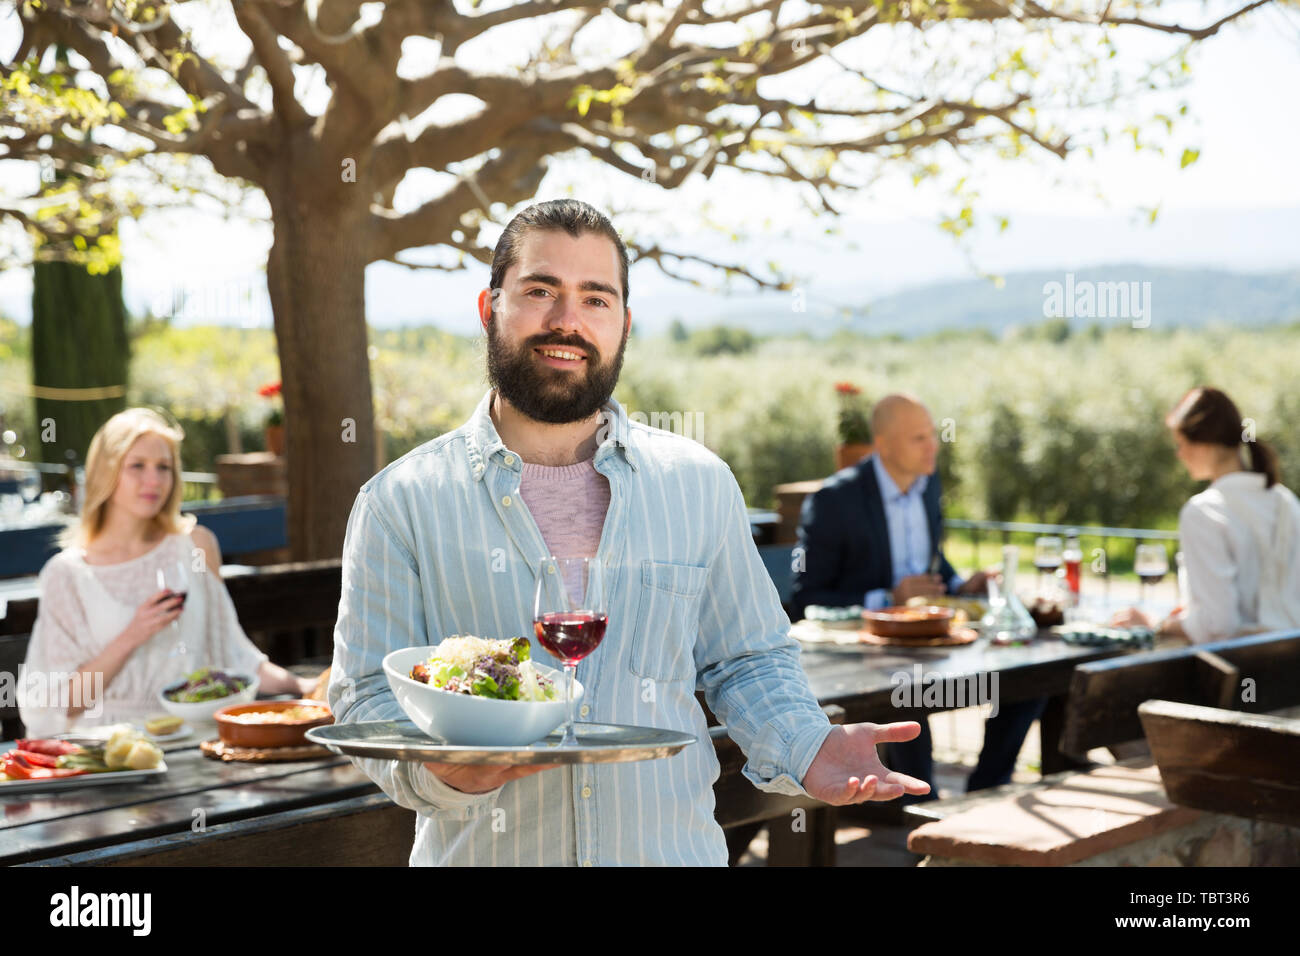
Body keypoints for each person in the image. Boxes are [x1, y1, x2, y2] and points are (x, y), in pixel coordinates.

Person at [329, 199, 930, 866]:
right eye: (540, 291)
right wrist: (439, 773)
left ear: (623, 323)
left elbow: (748, 659)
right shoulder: (399, 502)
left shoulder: (696, 484)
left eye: (595, 299)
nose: (568, 321)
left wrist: (808, 745)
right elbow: (365, 694)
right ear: (488, 307)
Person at [791, 393, 1045, 796]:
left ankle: (981, 793)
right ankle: (920, 810)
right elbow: (806, 599)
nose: (933, 446)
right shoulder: (834, 501)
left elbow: (932, 560)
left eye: (932, 435)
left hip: (929, 647)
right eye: (918, 438)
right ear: (884, 444)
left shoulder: (928, 487)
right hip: (865, 664)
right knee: (910, 697)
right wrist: (887, 596)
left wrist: (962, 584)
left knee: (1029, 680)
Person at [19, 408, 315, 736]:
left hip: (193, 738)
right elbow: (52, 706)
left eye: (164, 467)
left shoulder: (195, 546)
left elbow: (233, 655)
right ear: (106, 472)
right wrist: (132, 635)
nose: (154, 480)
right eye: (137, 466)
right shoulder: (68, 574)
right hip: (112, 747)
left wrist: (304, 687)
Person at [1113, 387, 1300, 642]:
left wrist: (1157, 625)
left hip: (1244, 672)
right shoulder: (1285, 500)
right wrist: (1191, 616)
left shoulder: (1204, 512)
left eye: (1181, 444)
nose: (1179, 454)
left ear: (1203, 444)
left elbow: (1219, 626)